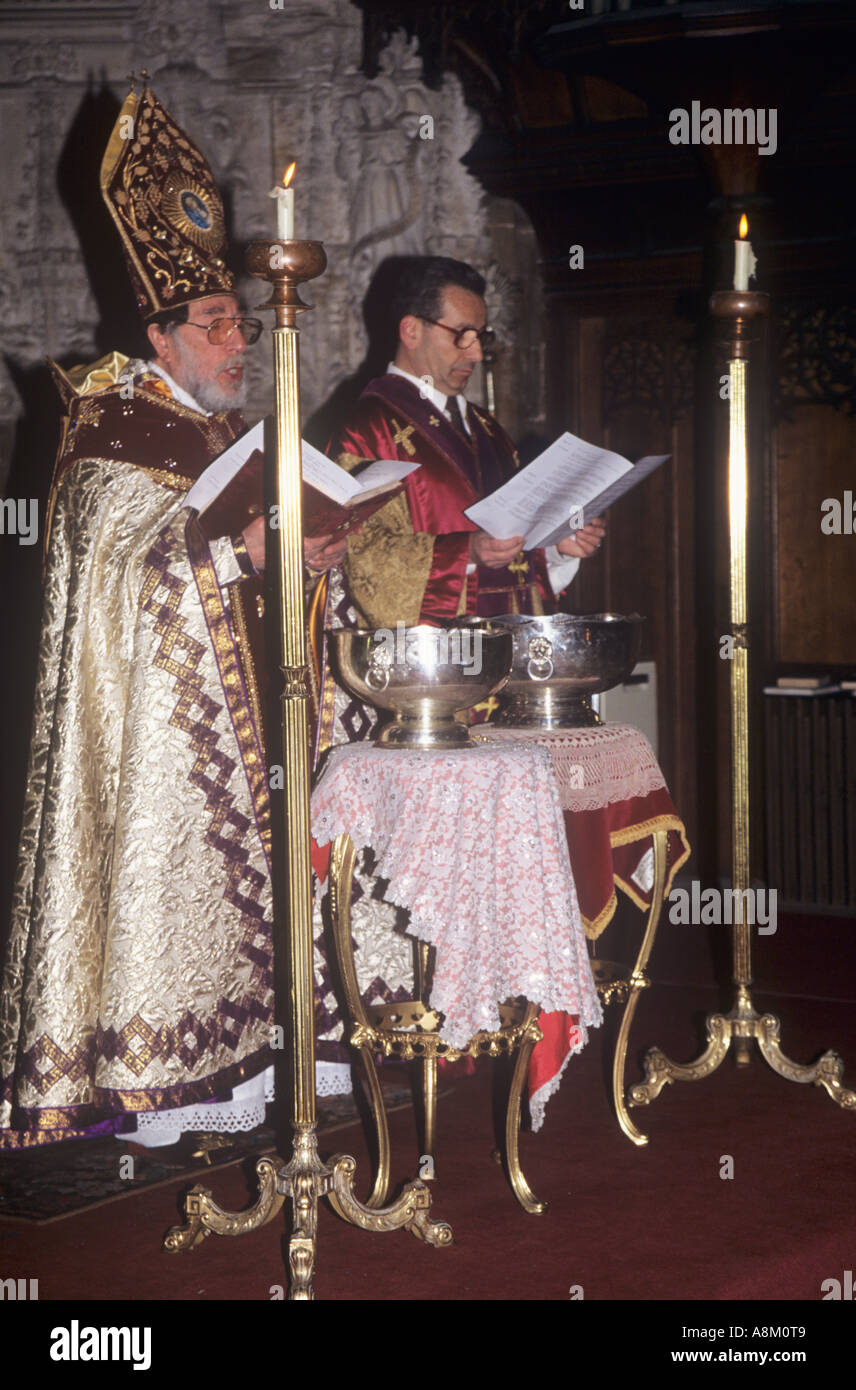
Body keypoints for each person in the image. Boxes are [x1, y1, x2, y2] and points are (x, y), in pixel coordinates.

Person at [0, 82, 342, 1152]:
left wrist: (307, 557)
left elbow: (257, 552)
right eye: (218, 323)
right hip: (164, 738)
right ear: (161, 331)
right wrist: (231, 554)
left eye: (243, 322)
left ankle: (267, 1055)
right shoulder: (109, 421)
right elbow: (107, 575)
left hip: (258, 714)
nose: (240, 338)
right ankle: (158, 1084)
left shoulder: (227, 424)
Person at [312, 254, 605, 755]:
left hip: (513, 677)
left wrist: (557, 548)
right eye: (461, 334)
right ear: (412, 330)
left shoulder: (490, 432)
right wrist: (464, 552)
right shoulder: (368, 428)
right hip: (431, 686)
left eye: (482, 336)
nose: (476, 352)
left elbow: (514, 547)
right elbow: (358, 559)